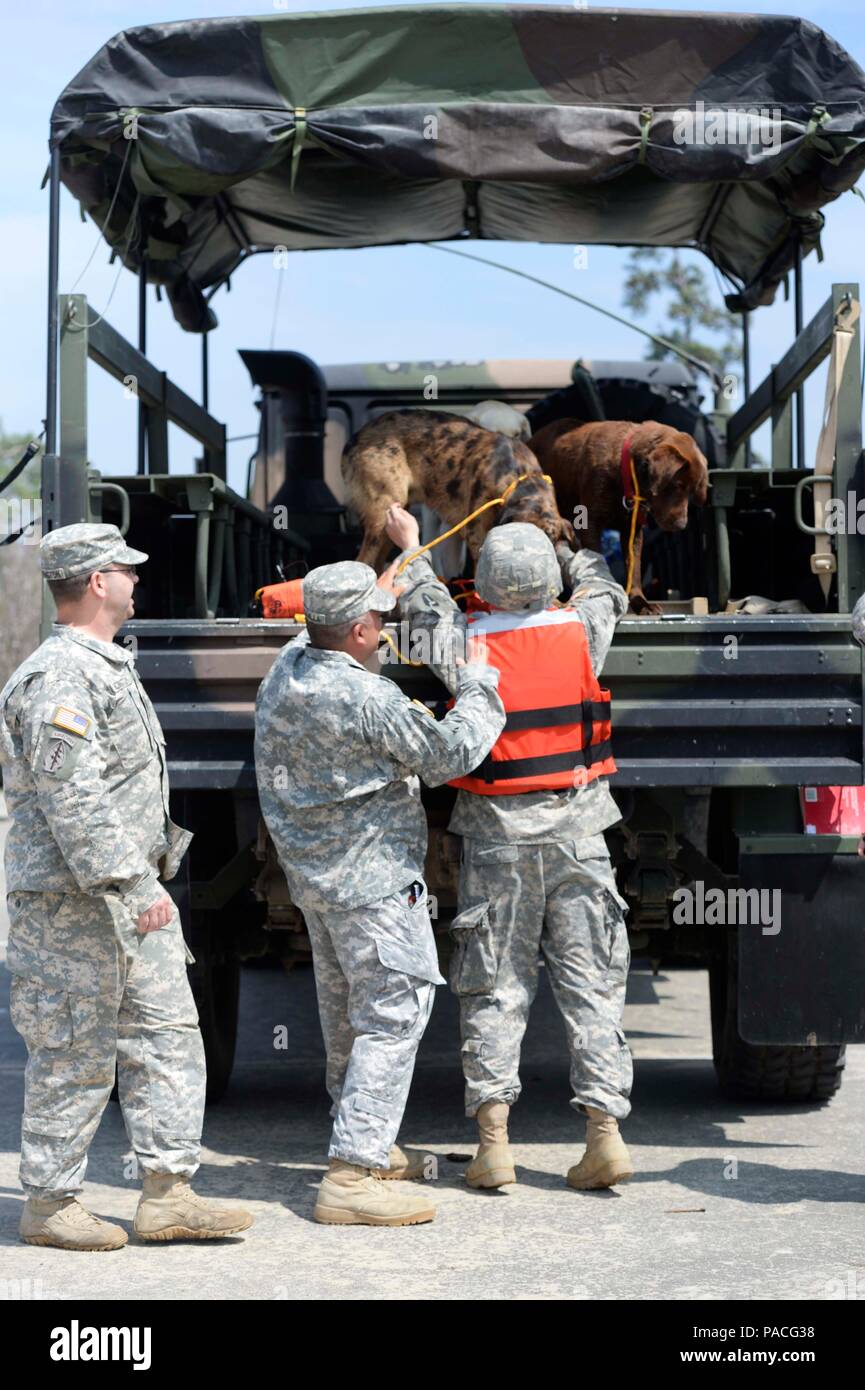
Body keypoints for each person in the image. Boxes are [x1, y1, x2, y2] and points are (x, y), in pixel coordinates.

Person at [0, 523, 253, 1249]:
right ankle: (49, 1205)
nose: (137, 581)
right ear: (94, 582)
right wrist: (130, 883)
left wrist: (146, 879)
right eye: (125, 570)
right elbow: (73, 799)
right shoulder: (58, 676)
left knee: (167, 1038)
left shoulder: (105, 665)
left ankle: (169, 1192)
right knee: (75, 1052)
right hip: (74, 906)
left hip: (130, 897)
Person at [389, 504, 634, 1191]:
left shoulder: (465, 644)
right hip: (580, 836)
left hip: (497, 842)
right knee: (592, 986)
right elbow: (604, 587)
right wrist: (578, 551)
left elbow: (419, 599)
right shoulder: (582, 629)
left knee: (495, 986)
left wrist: (412, 548)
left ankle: (492, 1145)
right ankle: (603, 1136)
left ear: (486, 584)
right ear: (550, 582)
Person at [255, 558, 505, 1226]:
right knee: (393, 1013)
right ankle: (351, 1176)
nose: (385, 625)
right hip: (372, 882)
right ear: (362, 628)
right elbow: (449, 755)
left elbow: (328, 624)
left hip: (316, 880)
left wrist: (395, 569)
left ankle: (362, 1139)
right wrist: (480, 687)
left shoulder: (286, 671)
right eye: (378, 617)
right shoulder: (370, 700)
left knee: (347, 1015)